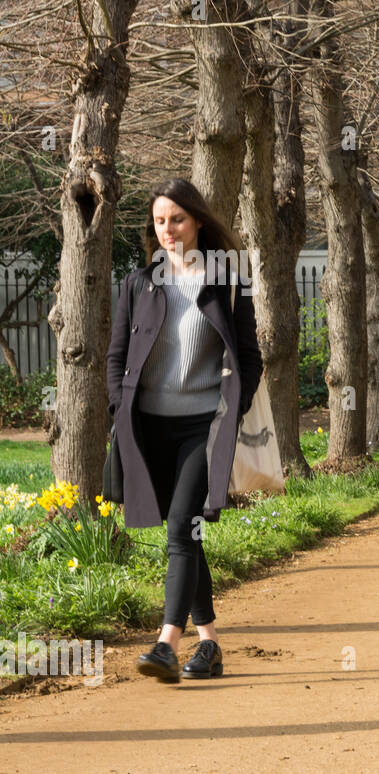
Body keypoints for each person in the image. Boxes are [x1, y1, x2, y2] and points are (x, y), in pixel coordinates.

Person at [106, 178, 263, 684]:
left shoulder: (228, 279)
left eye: (177, 218)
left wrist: (232, 410)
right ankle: (211, 645)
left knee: (180, 526)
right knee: (187, 534)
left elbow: (250, 356)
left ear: (197, 221)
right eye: (159, 220)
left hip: (204, 426)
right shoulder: (138, 283)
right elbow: (116, 358)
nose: (168, 229)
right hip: (149, 426)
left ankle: (166, 643)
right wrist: (119, 406)